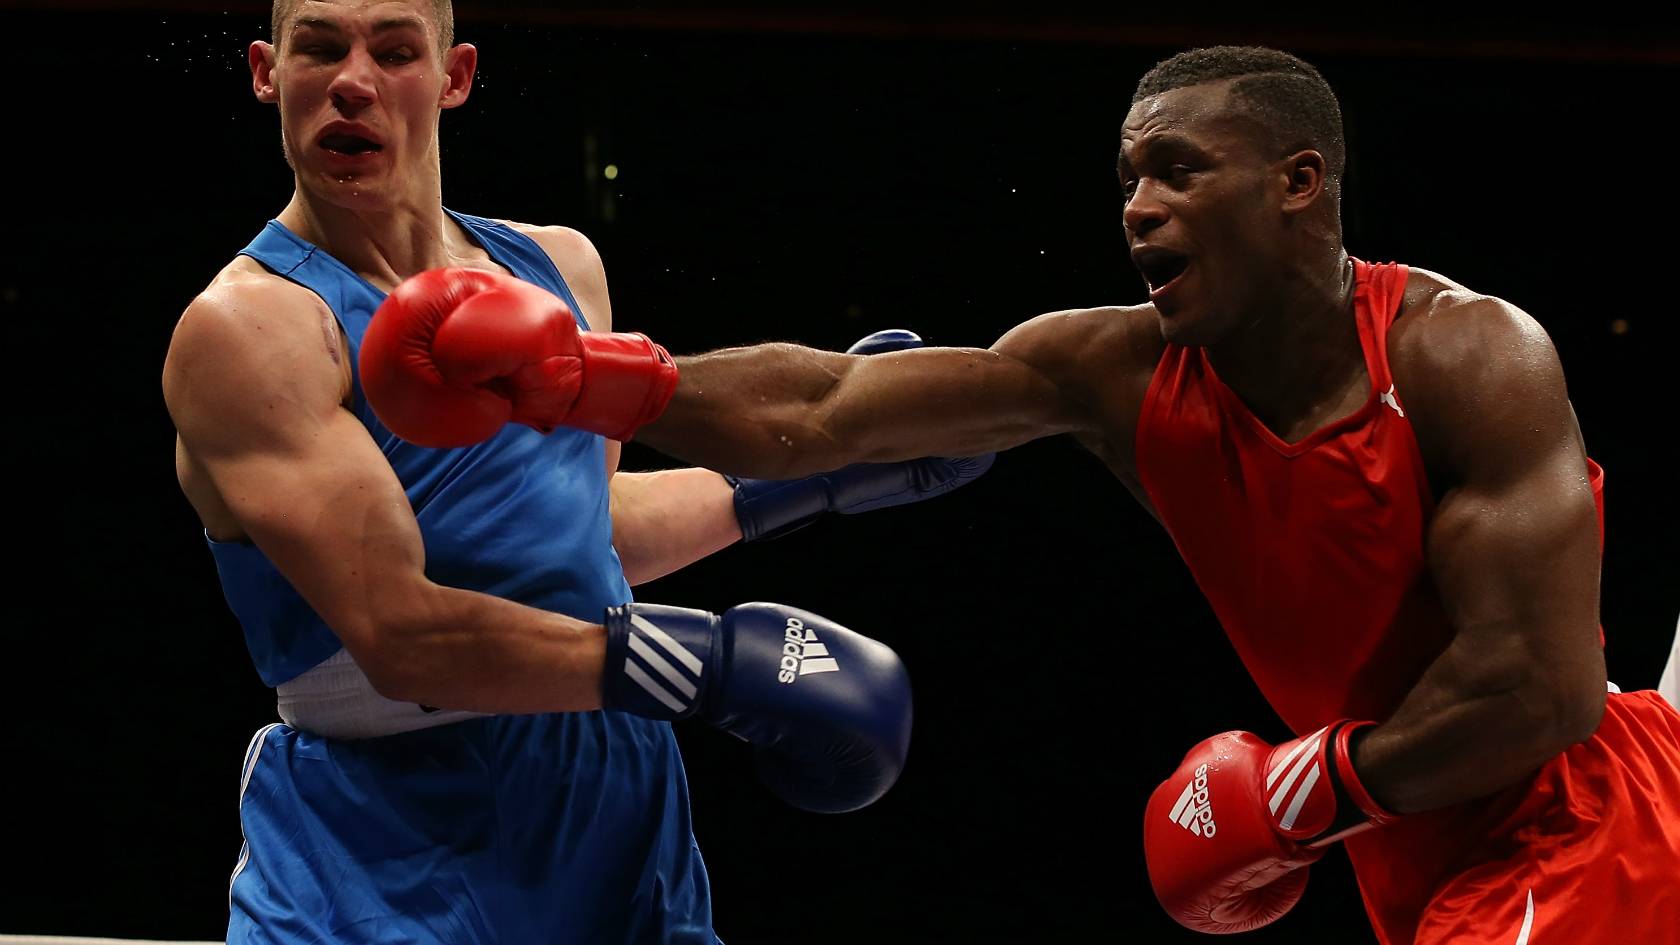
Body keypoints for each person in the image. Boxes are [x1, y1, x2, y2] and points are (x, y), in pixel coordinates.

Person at [379, 45, 1680, 944]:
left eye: (1180, 171)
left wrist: (1295, 795)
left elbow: (1541, 689)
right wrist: (587, 379)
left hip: (1577, 827)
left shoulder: (1464, 358)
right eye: (1128, 180)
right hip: (1418, 862)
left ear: (1299, 184)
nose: (1140, 210)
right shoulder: (1114, 373)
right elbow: (828, 406)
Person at [160, 2, 994, 941]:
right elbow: (403, 636)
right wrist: (712, 666)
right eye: (319, 48)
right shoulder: (253, 329)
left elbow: (580, 533)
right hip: (385, 836)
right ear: (267, 73)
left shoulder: (559, 268)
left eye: (394, 52)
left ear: (454, 77)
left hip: (614, 800)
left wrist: (812, 479)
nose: (353, 81)